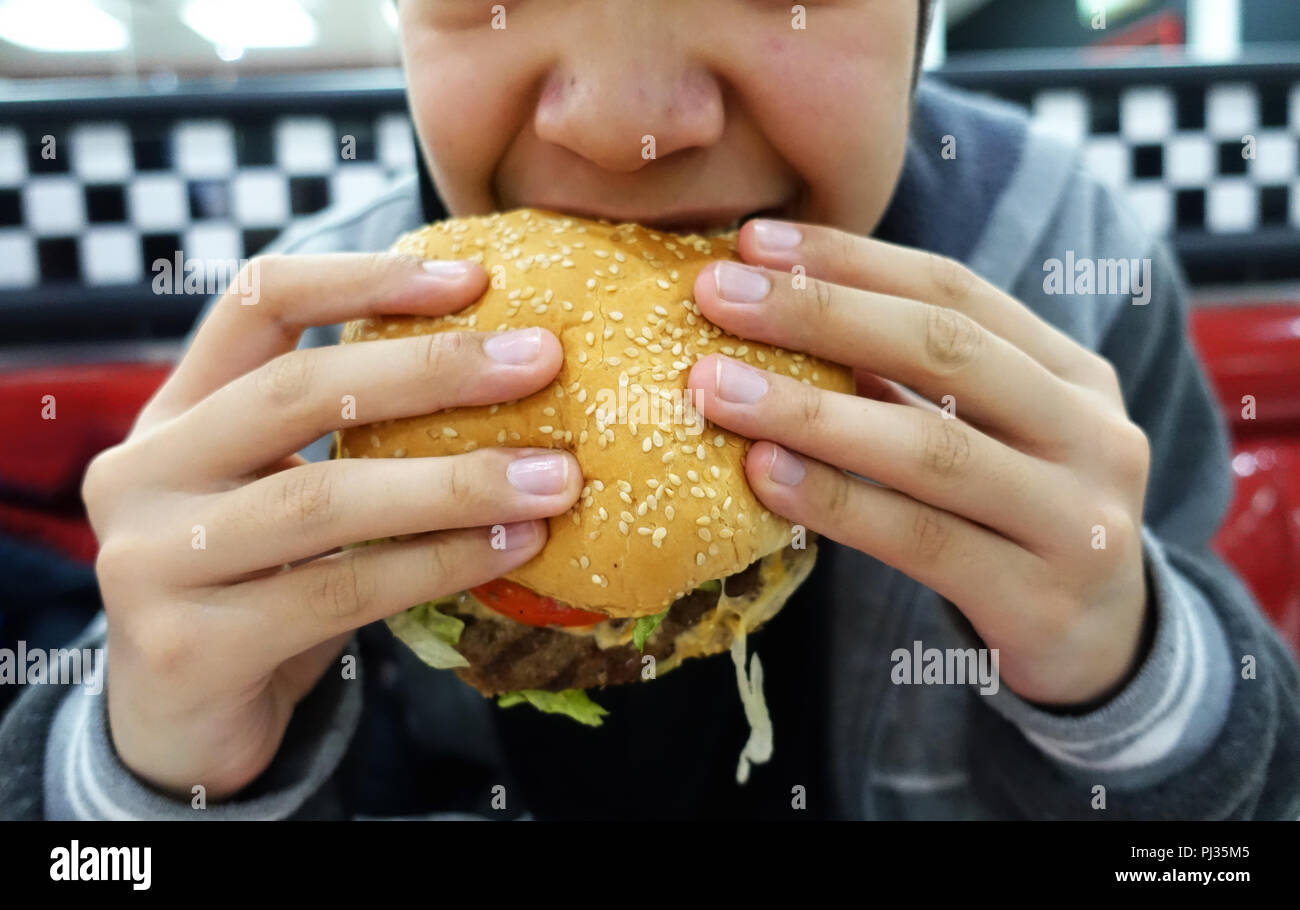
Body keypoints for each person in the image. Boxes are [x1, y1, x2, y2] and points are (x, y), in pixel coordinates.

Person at [2, 0, 1297, 820]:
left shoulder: (1061, 260)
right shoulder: (306, 345)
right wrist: (131, 781)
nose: (627, 127)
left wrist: (1134, 686)